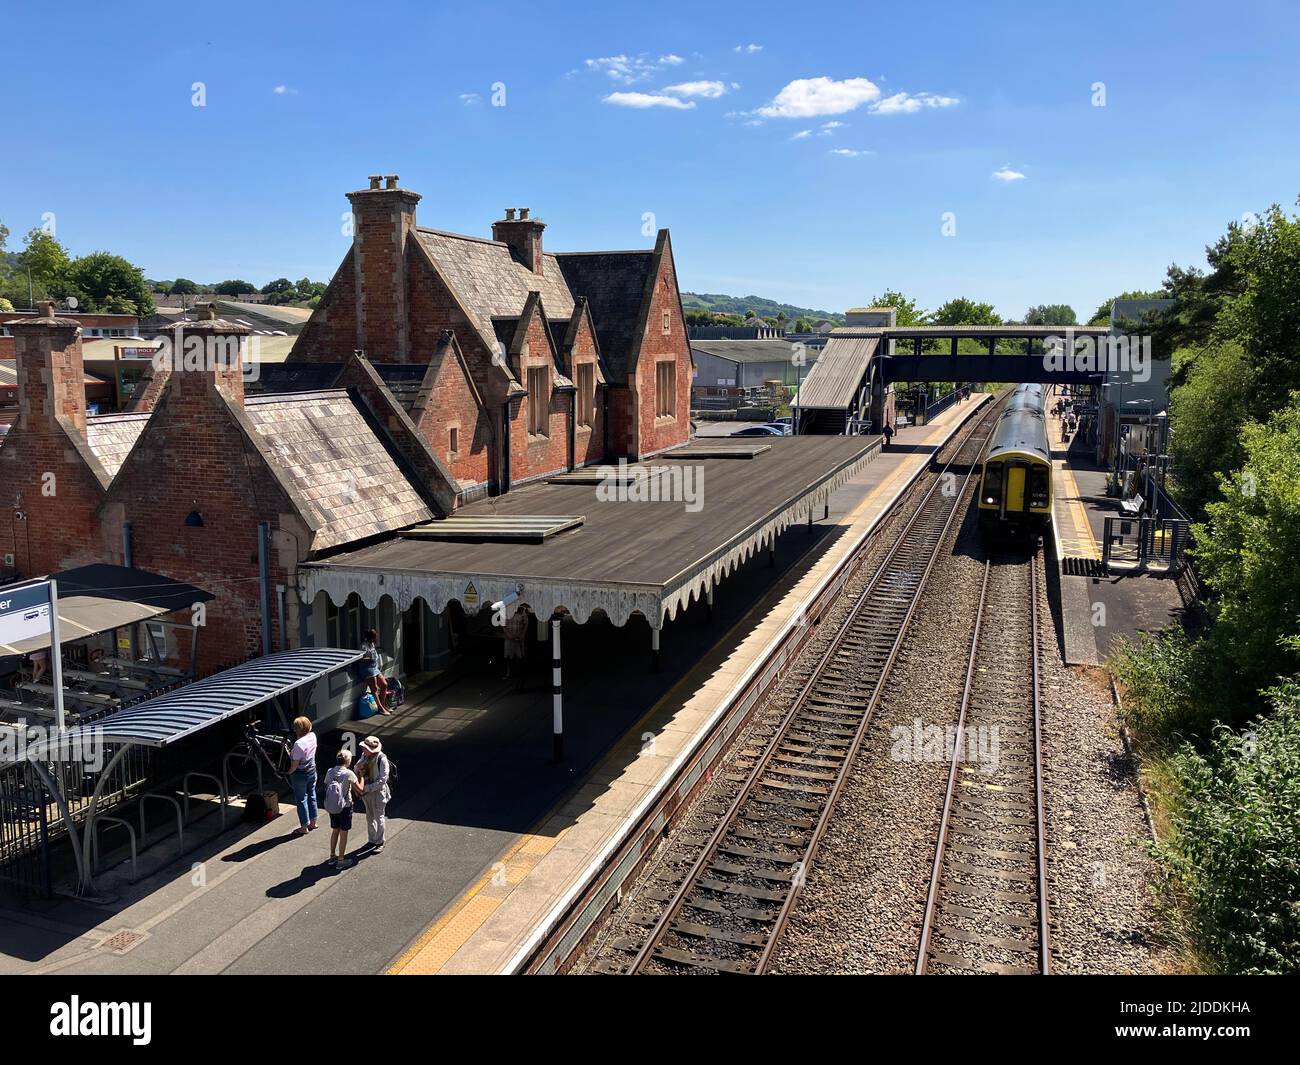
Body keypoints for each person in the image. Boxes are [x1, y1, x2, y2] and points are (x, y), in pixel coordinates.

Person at [323, 749, 363, 868]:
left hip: (333, 806)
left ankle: (332, 856)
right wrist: (361, 776)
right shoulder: (349, 773)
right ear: (348, 761)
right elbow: (360, 789)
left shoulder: (329, 771)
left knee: (335, 830)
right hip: (345, 807)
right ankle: (341, 860)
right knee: (344, 833)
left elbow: (326, 785)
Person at [356, 736, 390, 852]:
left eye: (365, 748)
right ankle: (372, 840)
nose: (363, 750)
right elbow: (357, 767)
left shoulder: (382, 759)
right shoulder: (364, 756)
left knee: (379, 817)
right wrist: (358, 767)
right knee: (369, 816)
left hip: (378, 793)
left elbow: (382, 781)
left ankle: (380, 841)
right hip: (367, 793)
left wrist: (366, 788)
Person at [287, 716, 318, 835]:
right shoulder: (313, 736)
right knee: (312, 794)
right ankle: (313, 822)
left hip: (300, 774)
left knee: (301, 799)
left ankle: (304, 826)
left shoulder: (298, 744)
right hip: (312, 770)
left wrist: (289, 772)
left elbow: (295, 764)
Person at [360, 628, 392, 715]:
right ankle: (380, 708)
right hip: (367, 668)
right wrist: (370, 658)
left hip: (374, 667)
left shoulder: (372, 644)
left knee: (384, 684)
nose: (376, 639)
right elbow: (360, 658)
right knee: (374, 688)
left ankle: (383, 704)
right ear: (371, 638)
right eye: (375, 637)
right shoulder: (364, 646)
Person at [503, 605, 529, 679]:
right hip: (508, 638)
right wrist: (509, 635)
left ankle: (519, 675)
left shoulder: (522, 610)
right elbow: (502, 624)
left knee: (520, 656)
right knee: (508, 657)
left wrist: (522, 635)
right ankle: (508, 674)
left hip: (519, 638)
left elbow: (526, 623)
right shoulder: (505, 609)